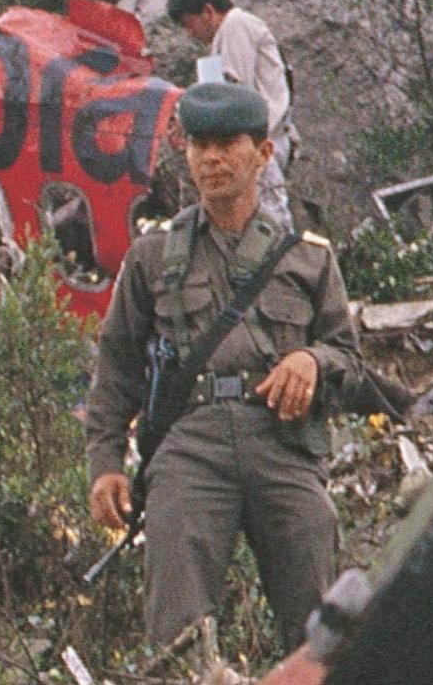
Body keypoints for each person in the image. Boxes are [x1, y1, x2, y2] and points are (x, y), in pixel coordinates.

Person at [84, 84, 382, 653]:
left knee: (322, 627)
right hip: (190, 449)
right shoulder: (152, 256)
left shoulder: (307, 256)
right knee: (177, 627)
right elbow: (117, 364)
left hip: (282, 444)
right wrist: (106, 464)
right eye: (200, 145)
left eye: (228, 144)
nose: (212, 159)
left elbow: (351, 359)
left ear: (263, 153)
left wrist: (311, 359)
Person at [164, 0, 294, 228]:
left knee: (269, 221)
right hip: (249, 139)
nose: (190, 33)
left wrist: (187, 114)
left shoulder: (236, 25)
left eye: (189, 24)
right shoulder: (224, 36)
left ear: (208, 11)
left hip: (257, 139)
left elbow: (232, 90)